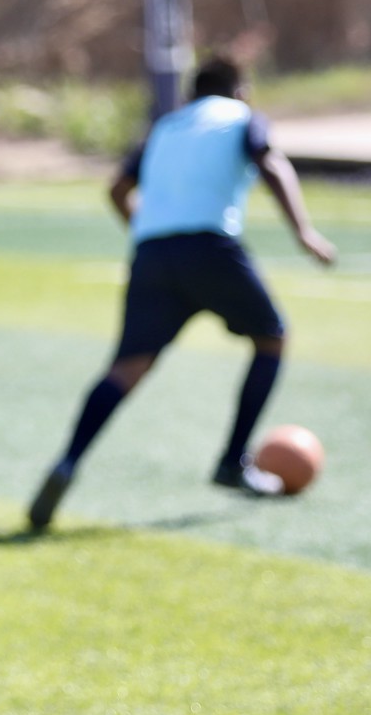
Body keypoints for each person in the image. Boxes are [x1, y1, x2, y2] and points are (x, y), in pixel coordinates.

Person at [28, 56, 337, 531]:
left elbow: (117, 188)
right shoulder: (241, 117)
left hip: (152, 255)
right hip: (211, 248)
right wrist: (304, 232)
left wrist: (146, 233)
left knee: (126, 368)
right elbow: (271, 162)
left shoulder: (166, 127)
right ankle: (232, 461)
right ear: (239, 88)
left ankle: (68, 460)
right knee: (272, 338)